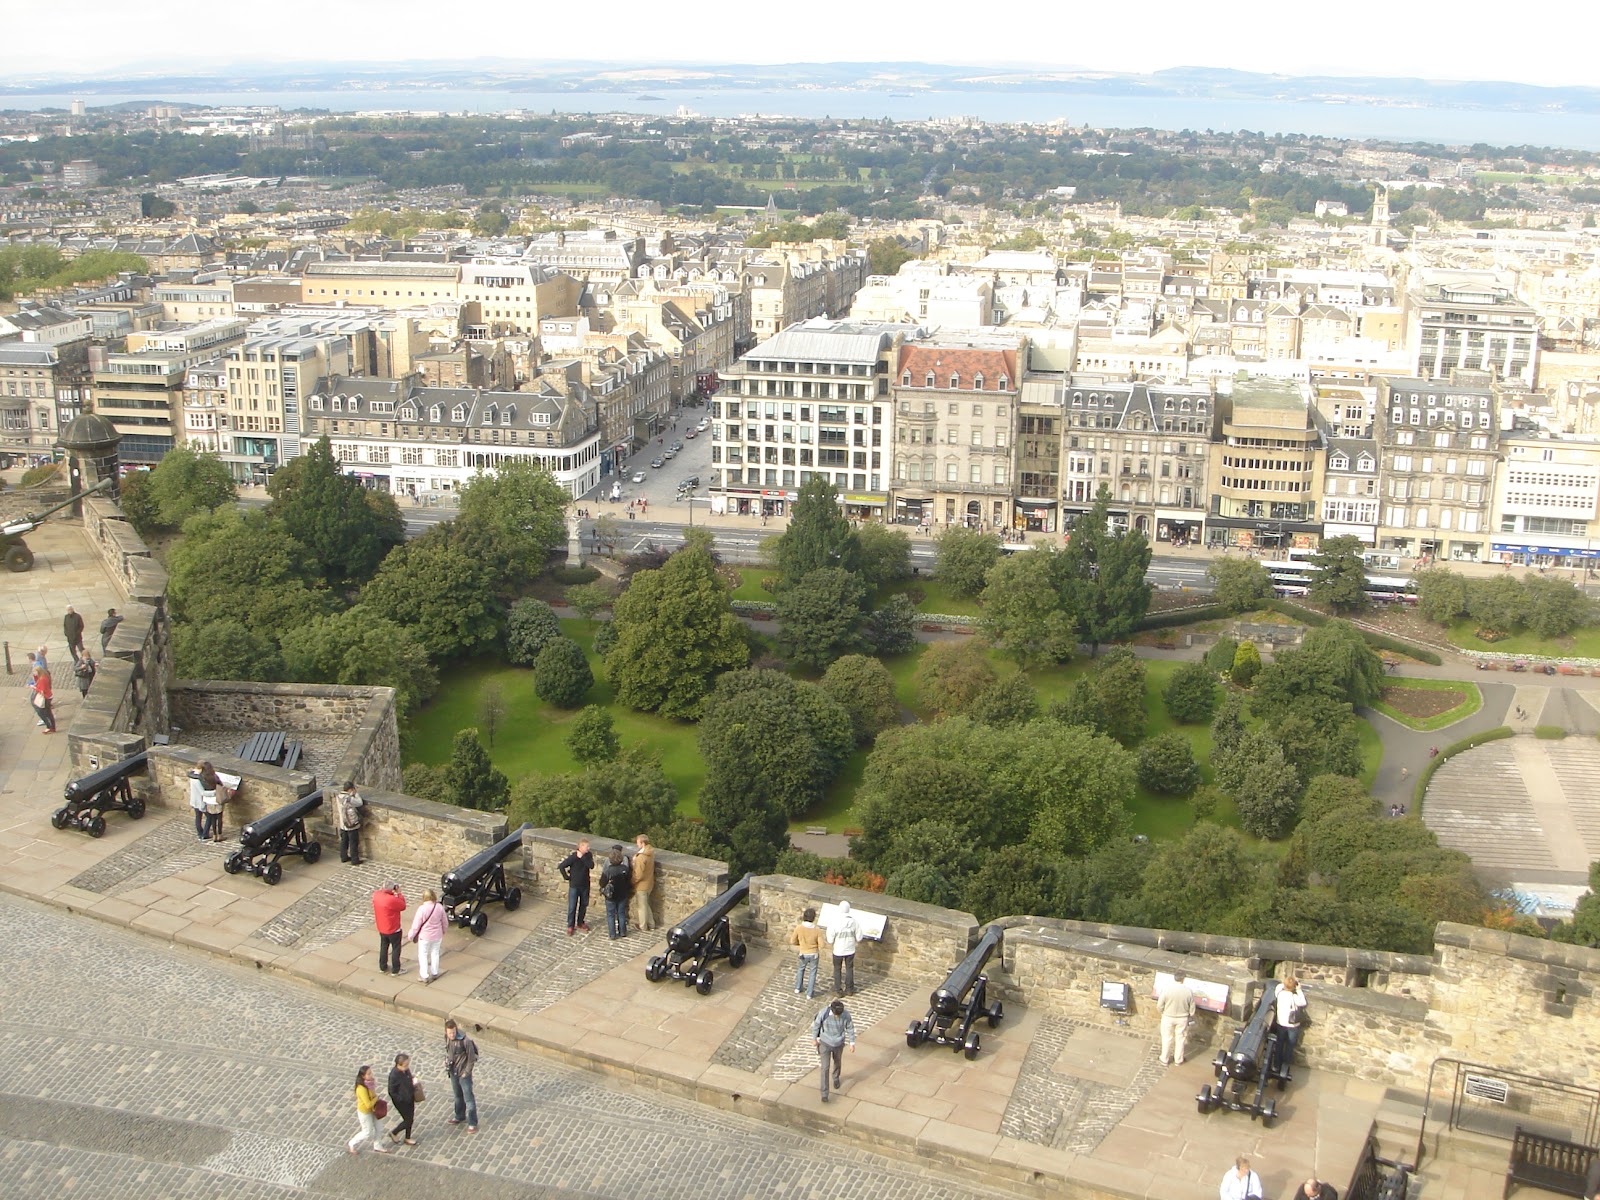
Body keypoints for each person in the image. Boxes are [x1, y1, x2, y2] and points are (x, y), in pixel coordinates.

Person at [812, 998, 856, 1103]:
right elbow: (816, 1025)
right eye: (836, 1014)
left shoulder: (846, 1015)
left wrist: (852, 1043)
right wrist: (814, 1039)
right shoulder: (824, 1013)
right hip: (825, 1043)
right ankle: (824, 1093)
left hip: (838, 1043)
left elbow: (850, 1028)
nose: (838, 1016)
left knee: (837, 1062)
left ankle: (836, 1077)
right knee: (825, 1068)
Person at [444, 1018, 479, 1133]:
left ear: (456, 1030)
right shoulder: (447, 1039)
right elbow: (449, 1053)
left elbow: (471, 1058)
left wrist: (466, 1072)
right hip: (453, 1071)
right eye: (449, 1033)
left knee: (468, 1098)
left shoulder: (465, 1041)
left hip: (463, 1073)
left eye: (453, 1032)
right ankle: (459, 1116)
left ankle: (472, 1122)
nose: (452, 1035)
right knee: (457, 1095)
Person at [1156, 970, 1196, 1065]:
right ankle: (1178, 1059)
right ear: (1183, 979)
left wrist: (1163, 1012)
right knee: (1180, 1038)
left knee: (1166, 1037)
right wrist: (1190, 1015)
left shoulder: (1167, 989)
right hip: (1182, 1017)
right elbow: (1192, 1007)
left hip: (1168, 1016)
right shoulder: (1188, 991)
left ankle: (1164, 1058)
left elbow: (1159, 1005)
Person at [409, 887, 448, 984]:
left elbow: (416, 925)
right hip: (437, 935)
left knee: (423, 955)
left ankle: (424, 975)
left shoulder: (422, 909)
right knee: (435, 953)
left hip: (424, 936)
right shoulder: (439, 907)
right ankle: (435, 972)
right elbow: (444, 922)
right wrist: (443, 931)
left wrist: (411, 935)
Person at [347, 1065, 388, 1154]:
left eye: (371, 1073)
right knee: (367, 1132)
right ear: (363, 1076)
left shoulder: (369, 1083)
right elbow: (368, 1104)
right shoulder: (361, 1089)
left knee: (379, 1127)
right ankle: (352, 1143)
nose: (371, 1075)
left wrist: (375, 1098)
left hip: (373, 1110)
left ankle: (378, 1145)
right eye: (369, 1074)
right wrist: (376, 1099)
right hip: (365, 1112)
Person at [1273, 976, 1310, 1073]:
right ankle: (1285, 1066)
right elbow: (1303, 1002)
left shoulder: (1279, 994)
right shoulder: (1294, 997)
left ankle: (1276, 1065)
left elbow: (1278, 986)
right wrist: (1298, 989)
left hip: (1281, 1023)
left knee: (1279, 1044)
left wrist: (1287, 982)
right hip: (1293, 1025)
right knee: (1290, 1046)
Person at [558, 839, 594, 935]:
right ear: (580, 846)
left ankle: (580, 922)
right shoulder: (573, 857)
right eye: (586, 846)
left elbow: (591, 866)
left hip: (585, 884)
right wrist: (567, 877)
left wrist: (582, 857)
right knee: (572, 906)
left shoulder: (588, 855)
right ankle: (570, 925)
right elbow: (561, 866)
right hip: (574, 885)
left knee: (583, 905)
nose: (588, 848)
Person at [827, 900, 861, 996]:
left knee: (837, 968)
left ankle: (838, 989)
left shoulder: (835, 922)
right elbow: (859, 937)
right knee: (849, 968)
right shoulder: (854, 922)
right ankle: (849, 989)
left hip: (838, 949)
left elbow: (830, 939)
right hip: (850, 949)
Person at [372, 880, 406, 975]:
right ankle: (396, 970)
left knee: (384, 946)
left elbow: (379, 893)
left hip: (381, 927)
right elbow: (402, 906)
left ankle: (383, 967)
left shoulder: (376, 895)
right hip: (393, 928)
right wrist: (399, 894)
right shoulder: (391, 899)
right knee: (396, 948)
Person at [789, 906, 824, 998]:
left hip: (803, 953)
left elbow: (792, 941)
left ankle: (798, 987)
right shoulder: (817, 930)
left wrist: (800, 944)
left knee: (801, 969)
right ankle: (809, 993)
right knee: (812, 972)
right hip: (813, 954)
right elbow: (822, 945)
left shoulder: (799, 928)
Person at [386, 1052, 419, 1147]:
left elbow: (408, 1079)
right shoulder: (394, 1075)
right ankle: (394, 1132)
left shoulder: (406, 1070)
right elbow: (392, 1091)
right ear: (398, 1065)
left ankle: (408, 1137)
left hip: (410, 1097)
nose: (407, 1067)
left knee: (410, 1118)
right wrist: (401, 1099)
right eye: (405, 1065)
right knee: (408, 1120)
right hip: (402, 1102)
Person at [600, 844, 632, 939]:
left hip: (611, 896)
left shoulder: (608, 871)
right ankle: (622, 932)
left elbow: (602, 883)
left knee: (610, 915)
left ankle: (612, 934)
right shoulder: (625, 869)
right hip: (622, 895)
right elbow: (628, 880)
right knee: (621, 913)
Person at [630, 834, 657, 933]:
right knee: (646, 904)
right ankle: (651, 924)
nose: (636, 844)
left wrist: (632, 881)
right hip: (649, 883)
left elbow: (638, 874)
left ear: (642, 843)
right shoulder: (650, 853)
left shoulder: (641, 857)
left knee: (641, 906)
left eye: (638, 842)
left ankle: (643, 926)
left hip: (642, 885)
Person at [335, 780, 365, 866]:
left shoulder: (339, 796)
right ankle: (354, 859)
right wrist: (356, 794)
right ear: (351, 789)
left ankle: (343, 857)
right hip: (351, 824)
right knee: (353, 842)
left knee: (344, 841)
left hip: (343, 823)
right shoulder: (349, 798)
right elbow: (359, 802)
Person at [31, 663, 55, 734]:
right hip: (48, 696)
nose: (34, 673)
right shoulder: (44, 676)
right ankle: (52, 727)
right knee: (48, 713)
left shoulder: (43, 679)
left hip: (46, 697)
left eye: (34, 672)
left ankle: (49, 727)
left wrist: (34, 688)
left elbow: (42, 690)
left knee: (43, 713)